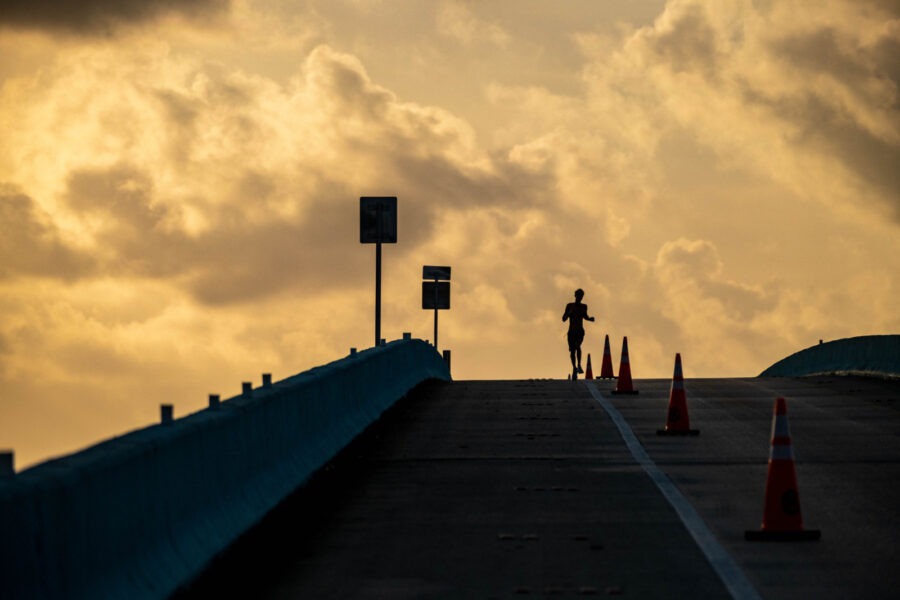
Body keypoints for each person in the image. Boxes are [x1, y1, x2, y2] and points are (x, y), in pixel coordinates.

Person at [562, 288, 594, 379]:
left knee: (577, 346)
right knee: (572, 351)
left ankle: (579, 364)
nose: (580, 298)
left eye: (581, 296)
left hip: (580, 331)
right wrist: (569, 313)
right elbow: (563, 319)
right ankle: (574, 368)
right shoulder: (569, 306)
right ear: (575, 296)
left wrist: (590, 319)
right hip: (571, 331)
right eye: (578, 296)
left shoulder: (584, 306)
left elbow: (585, 316)